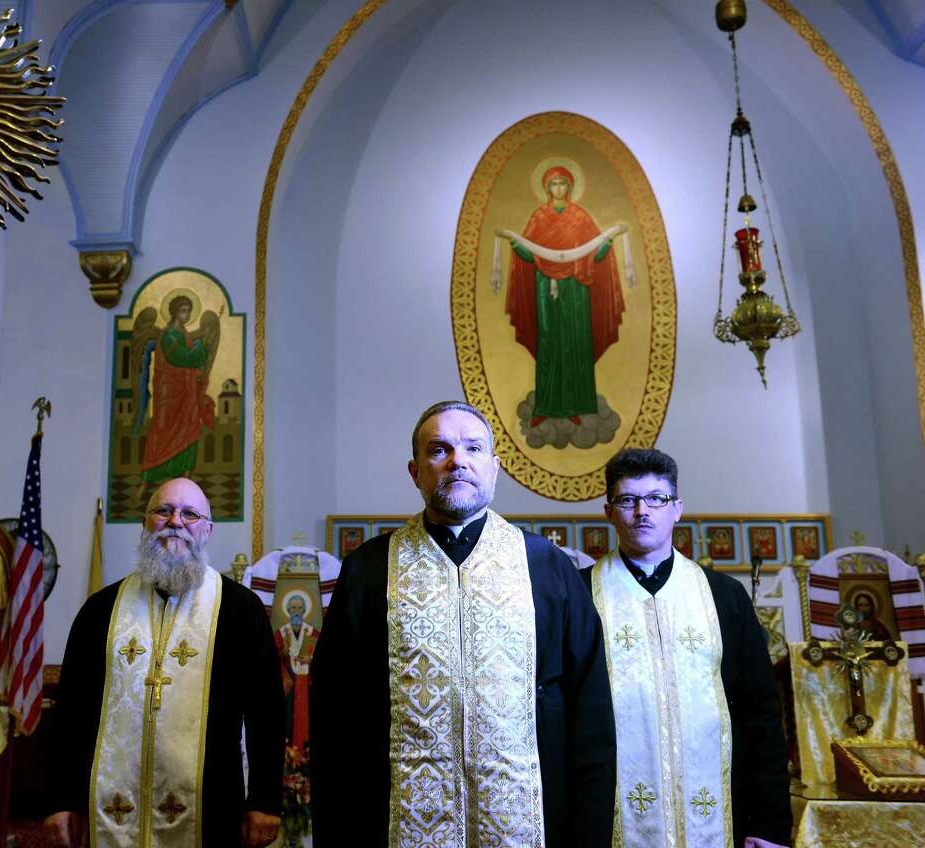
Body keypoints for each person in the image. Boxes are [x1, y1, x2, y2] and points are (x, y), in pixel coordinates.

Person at [311, 401, 616, 847]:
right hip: (393, 822)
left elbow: (590, 711)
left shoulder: (548, 569)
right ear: (415, 471)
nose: (458, 461)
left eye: (473, 448)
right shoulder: (369, 570)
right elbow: (335, 715)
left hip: (531, 823)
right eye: (440, 450)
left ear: (494, 468)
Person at [44, 478, 283, 848]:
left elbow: (265, 711)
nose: (176, 521)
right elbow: (72, 712)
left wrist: (266, 800)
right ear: (145, 523)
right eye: (163, 510)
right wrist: (61, 799)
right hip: (110, 815)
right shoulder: (100, 611)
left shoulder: (240, 610)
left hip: (211, 813)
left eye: (190, 513)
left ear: (207, 530)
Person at [585, 448, 791, 847]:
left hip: (721, 816)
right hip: (606, 821)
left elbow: (761, 713)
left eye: (656, 499)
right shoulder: (579, 595)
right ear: (609, 511)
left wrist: (769, 824)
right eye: (628, 500)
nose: (642, 511)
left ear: (677, 508)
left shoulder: (724, 596)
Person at [497, 166, 626, 426]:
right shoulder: (539, 217)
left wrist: (609, 241)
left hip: (576, 289)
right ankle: (547, 406)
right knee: (549, 342)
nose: (558, 189)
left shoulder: (580, 217)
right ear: (547, 188)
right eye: (553, 184)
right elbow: (530, 255)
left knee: (576, 342)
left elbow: (595, 255)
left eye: (562, 184)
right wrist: (514, 244)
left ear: (569, 187)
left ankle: (575, 405)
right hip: (546, 288)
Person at [139, 296, 216, 486]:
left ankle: (184, 475)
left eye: (189, 311)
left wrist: (201, 339)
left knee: (188, 424)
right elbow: (183, 357)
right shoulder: (168, 335)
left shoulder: (182, 333)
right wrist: (202, 346)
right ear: (174, 312)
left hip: (185, 391)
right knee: (164, 428)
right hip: (169, 391)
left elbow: (189, 347)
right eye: (183, 311)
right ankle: (153, 473)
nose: (187, 315)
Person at [273, 592, 318, 751]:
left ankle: (306, 758)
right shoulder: (281, 633)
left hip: (308, 686)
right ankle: (290, 758)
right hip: (289, 686)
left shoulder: (313, 633)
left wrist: (312, 660)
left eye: (300, 607)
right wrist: (282, 654)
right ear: (288, 610)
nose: (297, 611)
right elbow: (270, 661)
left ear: (305, 610)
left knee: (309, 721)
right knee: (288, 721)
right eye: (293, 608)